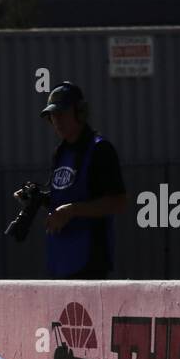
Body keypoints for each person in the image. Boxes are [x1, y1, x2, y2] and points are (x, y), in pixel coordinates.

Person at [30, 83, 128, 280]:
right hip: (59, 259)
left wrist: (72, 210)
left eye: (62, 113)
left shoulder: (100, 150)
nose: (56, 120)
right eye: (52, 116)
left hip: (88, 261)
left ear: (80, 112)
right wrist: (39, 199)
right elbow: (62, 197)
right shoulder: (60, 152)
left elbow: (119, 202)